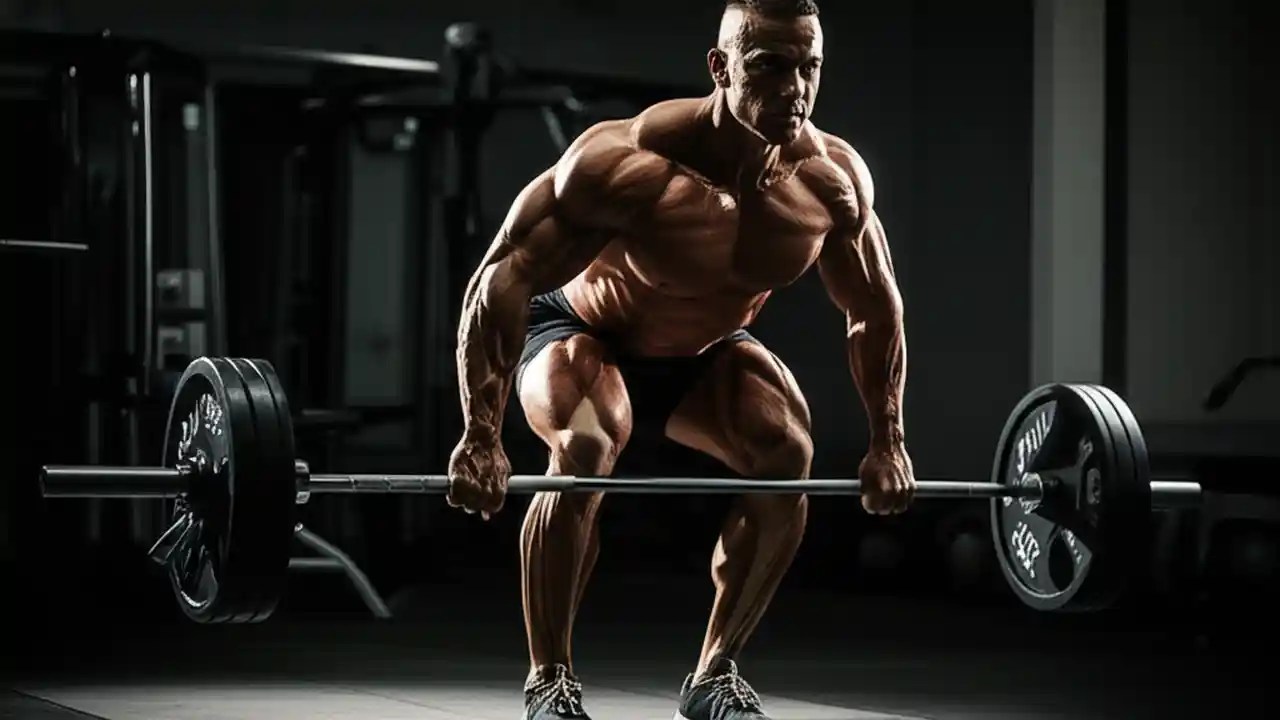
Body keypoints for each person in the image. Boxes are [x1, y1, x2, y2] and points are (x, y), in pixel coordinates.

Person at [447, 1, 916, 718]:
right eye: (769, 67)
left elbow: (874, 311)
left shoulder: (829, 183)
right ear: (720, 67)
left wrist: (889, 439)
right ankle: (550, 680)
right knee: (585, 442)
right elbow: (501, 280)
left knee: (788, 451)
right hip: (584, 331)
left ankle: (714, 675)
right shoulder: (626, 162)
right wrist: (479, 434)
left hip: (703, 352)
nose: (794, 87)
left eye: (809, 66)